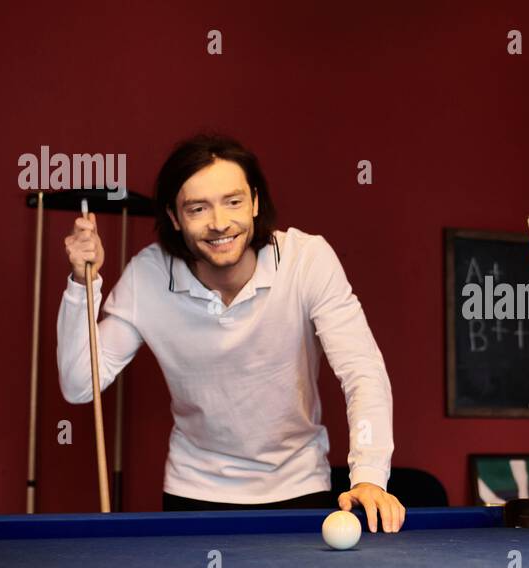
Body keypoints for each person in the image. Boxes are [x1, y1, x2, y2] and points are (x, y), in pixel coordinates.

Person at [57, 134, 405, 531]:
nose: (219, 223)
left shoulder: (307, 260)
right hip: (194, 493)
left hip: (300, 487)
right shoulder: (148, 276)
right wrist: (81, 284)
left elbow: (362, 370)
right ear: (174, 217)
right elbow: (79, 383)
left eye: (233, 201)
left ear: (255, 203)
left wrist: (369, 477)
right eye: (198, 208)